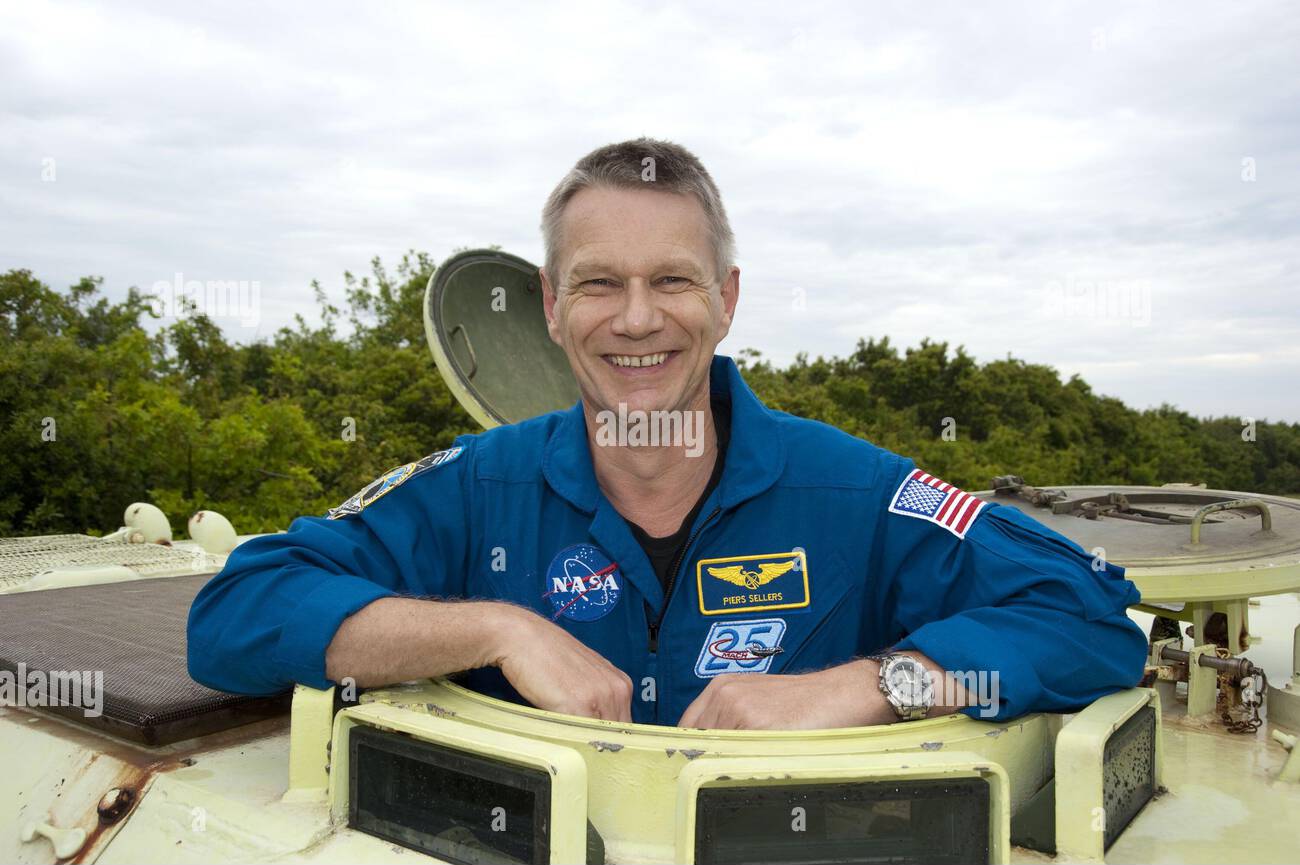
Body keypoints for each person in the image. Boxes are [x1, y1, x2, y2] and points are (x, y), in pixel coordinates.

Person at [187, 137, 1148, 729]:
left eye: (673, 281)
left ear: (725, 301)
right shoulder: (479, 486)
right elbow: (237, 616)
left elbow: (1094, 621)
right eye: (600, 284)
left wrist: (878, 683)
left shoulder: (859, 495)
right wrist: (493, 627)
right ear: (554, 311)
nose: (637, 320)